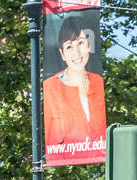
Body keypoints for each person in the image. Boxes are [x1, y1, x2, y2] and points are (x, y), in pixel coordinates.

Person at [42, 15, 106, 153]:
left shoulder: (98, 82)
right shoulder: (50, 87)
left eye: (81, 43)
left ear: (88, 46)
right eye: (69, 46)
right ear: (62, 54)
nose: (76, 52)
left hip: (96, 162)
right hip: (64, 164)